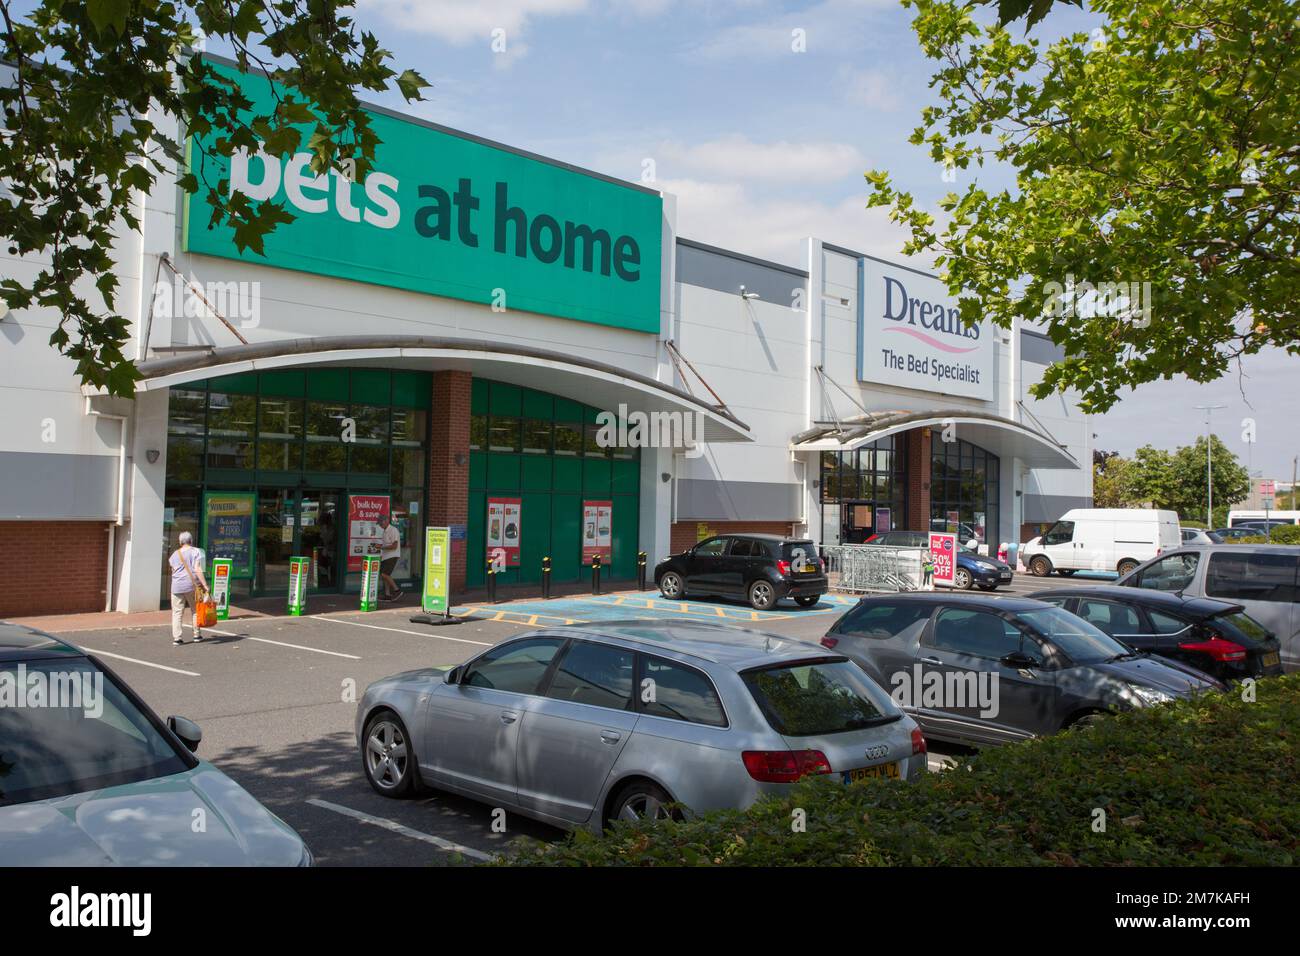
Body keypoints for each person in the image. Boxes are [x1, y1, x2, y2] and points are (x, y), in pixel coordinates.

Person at [169, 531, 210, 645]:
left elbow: (173, 571)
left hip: (176, 586)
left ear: (180, 542)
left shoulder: (174, 554)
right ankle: (196, 635)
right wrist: (205, 585)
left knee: (177, 612)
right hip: (191, 586)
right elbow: (197, 569)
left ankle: (177, 638)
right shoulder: (195, 551)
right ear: (191, 541)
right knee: (195, 610)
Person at [378, 514, 401, 600]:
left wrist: (382, 547)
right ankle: (387, 594)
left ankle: (397, 590)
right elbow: (386, 544)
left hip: (392, 556)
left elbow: (394, 546)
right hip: (385, 556)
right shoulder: (385, 531)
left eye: (381, 523)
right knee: (384, 575)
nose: (380, 525)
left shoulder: (393, 530)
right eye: (379, 523)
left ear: (387, 521)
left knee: (385, 574)